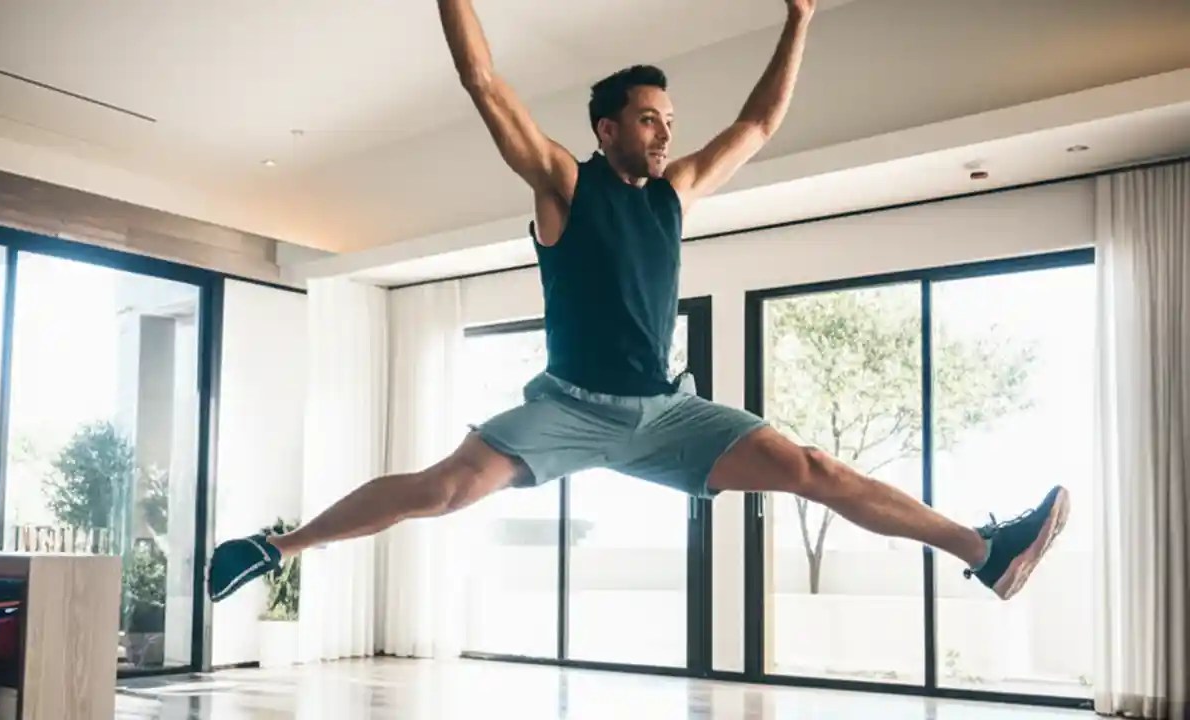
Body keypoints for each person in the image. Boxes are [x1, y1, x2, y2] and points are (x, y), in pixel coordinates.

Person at [208, 0, 1069, 606]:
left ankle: (985, 551)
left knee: (815, 469)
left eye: (669, 120)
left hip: (664, 413)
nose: (666, 132)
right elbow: (482, 79)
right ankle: (276, 547)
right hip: (568, 409)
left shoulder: (674, 194)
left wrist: (800, 18)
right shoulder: (564, 184)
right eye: (650, 118)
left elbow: (759, 126)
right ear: (608, 129)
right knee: (443, 491)